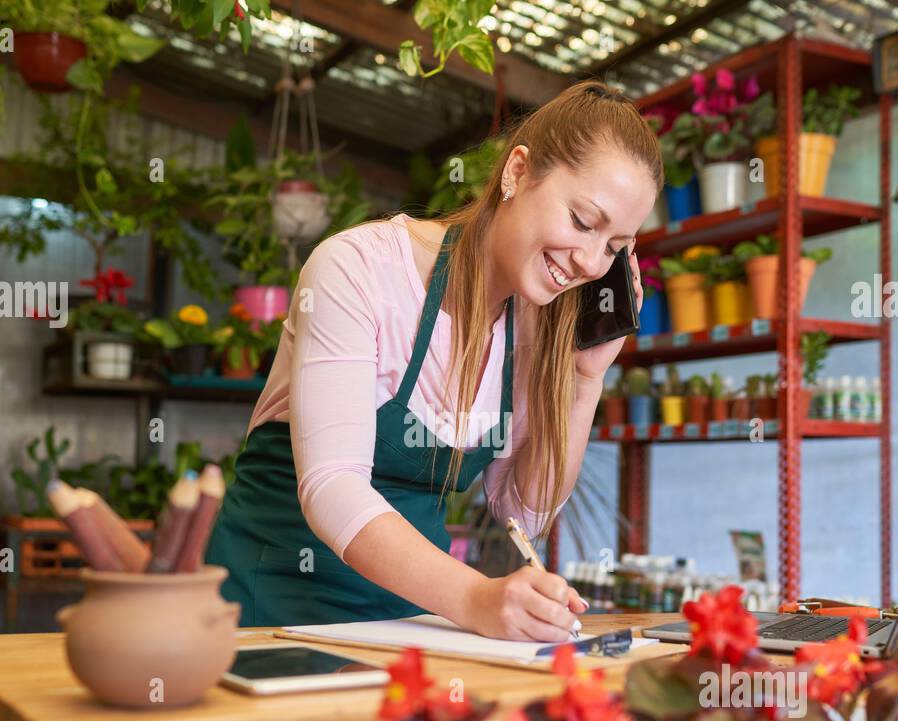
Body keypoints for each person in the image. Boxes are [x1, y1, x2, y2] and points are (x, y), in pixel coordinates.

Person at [205, 80, 662, 641]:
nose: (592, 261)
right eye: (583, 221)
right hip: (270, 612)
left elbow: (527, 509)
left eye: (616, 248)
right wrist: (475, 596)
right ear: (517, 171)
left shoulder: (534, 324)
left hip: (410, 625)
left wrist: (584, 379)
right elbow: (332, 487)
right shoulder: (357, 269)